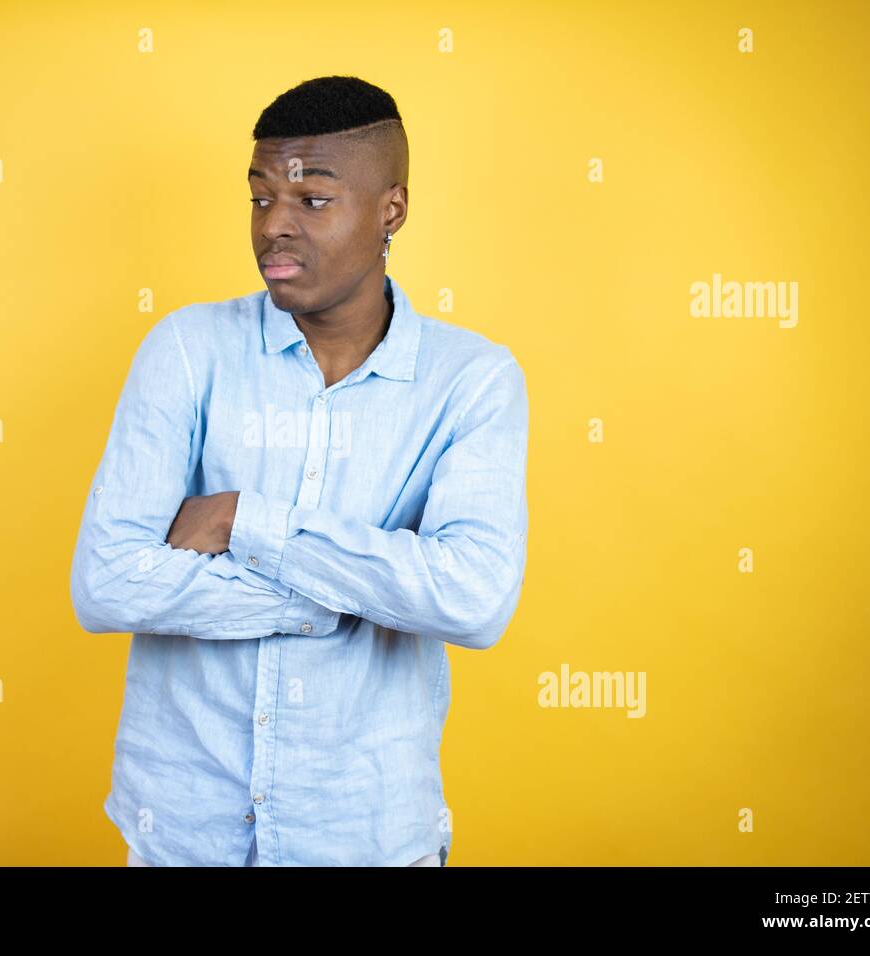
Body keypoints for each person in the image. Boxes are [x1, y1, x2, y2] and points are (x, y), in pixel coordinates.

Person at [70, 75, 529, 866]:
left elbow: (473, 596)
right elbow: (107, 583)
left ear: (392, 209)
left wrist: (244, 521)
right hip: (181, 832)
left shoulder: (472, 380)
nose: (273, 228)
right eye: (258, 199)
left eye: (311, 201)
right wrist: (340, 601)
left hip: (368, 836)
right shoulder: (186, 350)